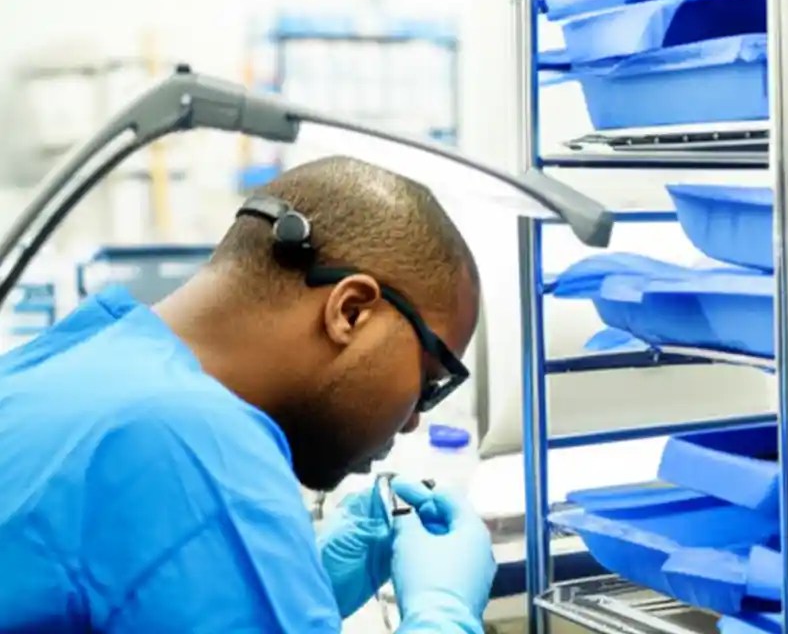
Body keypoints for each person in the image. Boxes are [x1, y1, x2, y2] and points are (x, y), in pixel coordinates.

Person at [0, 156, 497, 632]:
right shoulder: (197, 449)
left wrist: (296, 587)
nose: (413, 420)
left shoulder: (71, 360)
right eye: (429, 381)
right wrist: (442, 613)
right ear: (350, 311)